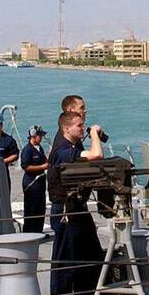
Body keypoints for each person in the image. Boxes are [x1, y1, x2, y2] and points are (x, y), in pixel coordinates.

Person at [48, 109, 107, 295]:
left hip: (77, 208)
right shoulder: (62, 150)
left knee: (86, 257)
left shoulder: (73, 147)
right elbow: (96, 156)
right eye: (79, 126)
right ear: (66, 128)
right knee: (65, 260)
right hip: (65, 212)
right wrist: (93, 135)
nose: (83, 129)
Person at [48, 95, 86, 236]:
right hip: (65, 205)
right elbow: (95, 155)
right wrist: (94, 135)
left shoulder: (74, 141)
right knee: (65, 248)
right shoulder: (63, 146)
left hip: (76, 202)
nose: (85, 111)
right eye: (82, 107)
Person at [19, 126, 50, 234]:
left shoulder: (39, 148)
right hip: (31, 182)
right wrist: (42, 167)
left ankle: (38, 231)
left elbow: (45, 160)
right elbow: (26, 167)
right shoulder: (27, 150)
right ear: (33, 135)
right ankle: (28, 232)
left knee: (40, 208)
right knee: (31, 208)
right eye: (40, 135)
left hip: (40, 182)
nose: (41, 138)